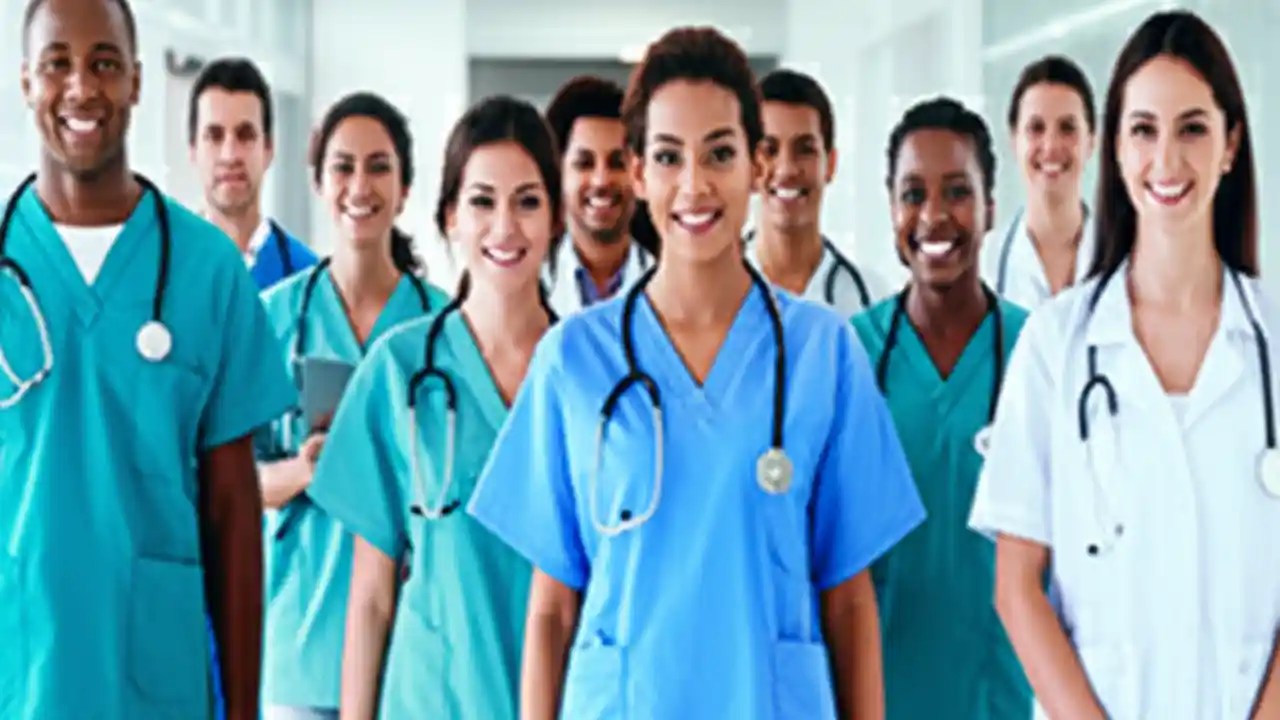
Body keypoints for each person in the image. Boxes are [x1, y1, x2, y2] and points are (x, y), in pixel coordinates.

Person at [467, 27, 925, 718]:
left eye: (719, 153)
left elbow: (851, 601)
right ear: (639, 173)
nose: (695, 185)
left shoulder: (822, 353)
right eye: (668, 156)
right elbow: (551, 611)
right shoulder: (575, 358)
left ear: (756, 166)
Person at [970, 10, 1280, 719]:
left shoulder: (1272, 342)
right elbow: (1017, 586)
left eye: (1193, 128)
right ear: (1113, 148)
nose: (1166, 160)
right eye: (1143, 129)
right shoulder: (1056, 344)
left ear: (1231, 144)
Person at [0, 0, 294, 718]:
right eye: (56, 65)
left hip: (155, 683)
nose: (80, 87)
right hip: (20, 674)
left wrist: (244, 709)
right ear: (25, 83)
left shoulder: (207, 272)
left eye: (104, 63)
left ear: (136, 81)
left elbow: (233, 514)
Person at [302, 95, 560, 718]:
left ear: (556, 217)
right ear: (449, 217)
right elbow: (370, 595)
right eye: (482, 202)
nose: (505, 227)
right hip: (429, 697)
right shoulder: (398, 370)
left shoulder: (584, 376)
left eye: (528, 201)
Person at [254, 92, 449, 720]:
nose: (359, 185)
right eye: (342, 167)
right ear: (316, 181)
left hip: (418, 649)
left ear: (405, 186)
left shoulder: (443, 324)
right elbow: (229, 477)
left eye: (378, 166)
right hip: (304, 647)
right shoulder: (277, 318)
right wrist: (305, 471)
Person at [852, 97, 1031, 720]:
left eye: (957, 191)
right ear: (891, 207)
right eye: (912, 193)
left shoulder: (1036, 355)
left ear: (989, 207)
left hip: (1002, 698)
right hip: (881, 695)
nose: (933, 215)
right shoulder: (853, 355)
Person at [747, 68, 890, 318]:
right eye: (769, 150)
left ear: (830, 164)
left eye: (805, 150)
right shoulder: (709, 292)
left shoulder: (870, 303)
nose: (787, 169)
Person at [188, 56, 318, 289]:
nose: (230, 155)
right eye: (214, 136)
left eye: (245, 135)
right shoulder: (159, 273)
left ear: (268, 149)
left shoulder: (309, 281)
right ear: (193, 150)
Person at [981, 55, 1096, 309]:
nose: (1051, 146)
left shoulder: (1126, 261)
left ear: (1091, 141)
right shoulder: (983, 266)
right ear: (1014, 141)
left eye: (1067, 128)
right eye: (1036, 128)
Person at [542, 75, 650, 315]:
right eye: (584, 163)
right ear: (559, 174)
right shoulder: (533, 287)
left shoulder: (666, 286)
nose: (601, 180)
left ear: (639, 173)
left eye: (617, 163)